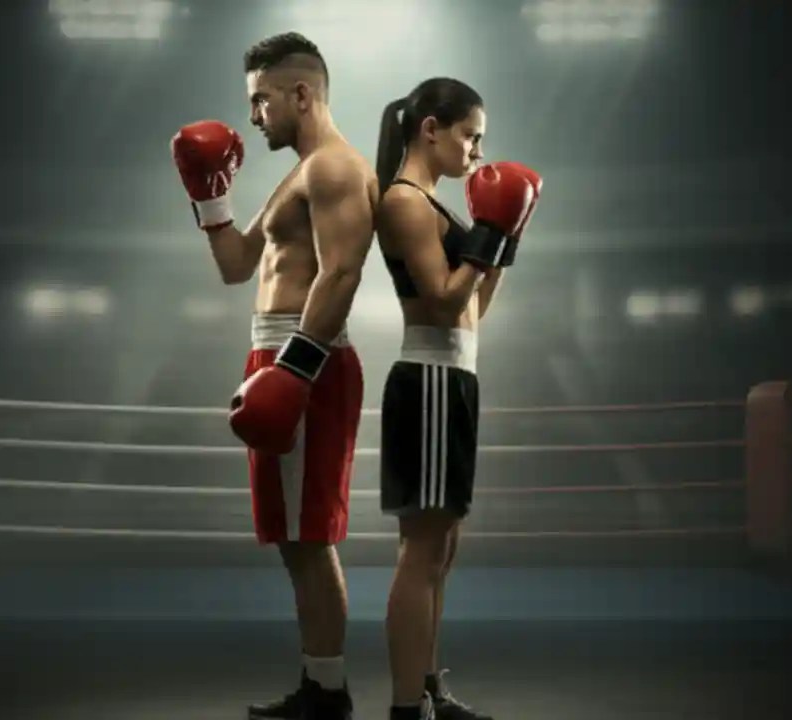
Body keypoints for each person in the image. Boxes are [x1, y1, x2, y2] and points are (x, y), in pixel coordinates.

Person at [170, 32, 378, 720]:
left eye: (261, 99)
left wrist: (295, 370)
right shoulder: (299, 174)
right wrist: (209, 196)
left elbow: (342, 272)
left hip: (302, 358)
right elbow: (237, 265)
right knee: (294, 539)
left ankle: (329, 694)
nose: (253, 115)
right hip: (279, 355)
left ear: (301, 93)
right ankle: (320, 685)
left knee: (310, 538)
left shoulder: (336, 169)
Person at [373, 78, 543, 720]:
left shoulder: (442, 208)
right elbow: (443, 300)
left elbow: (474, 307)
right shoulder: (405, 202)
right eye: (470, 135)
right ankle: (403, 705)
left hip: (455, 379)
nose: (477, 150)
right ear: (431, 130)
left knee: (442, 549)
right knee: (421, 550)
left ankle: (427, 690)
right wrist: (489, 231)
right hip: (430, 381)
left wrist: (499, 245)